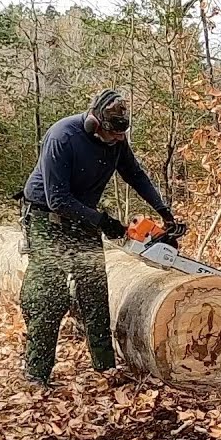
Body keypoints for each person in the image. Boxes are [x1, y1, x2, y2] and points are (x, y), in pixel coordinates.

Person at [18, 88, 184, 386]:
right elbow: (58, 200)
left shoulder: (117, 141)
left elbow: (135, 175)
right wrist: (105, 222)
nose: (118, 141)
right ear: (95, 123)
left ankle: (105, 367)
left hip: (82, 217)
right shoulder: (62, 138)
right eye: (113, 135)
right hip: (47, 217)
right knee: (49, 293)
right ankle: (36, 375)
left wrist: (164, 211)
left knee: (94, 290)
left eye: (122, 135)